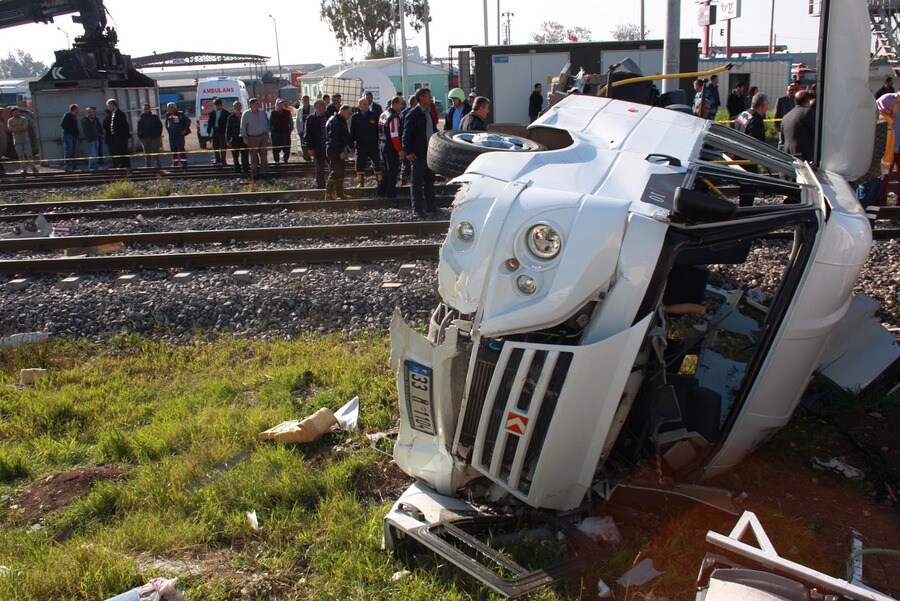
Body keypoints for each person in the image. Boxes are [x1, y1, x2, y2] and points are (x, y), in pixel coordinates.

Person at [402, 87, 440, 218]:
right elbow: (406, 134)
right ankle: (418, 208)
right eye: (428, 96)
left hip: (429, 152)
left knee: (429, 180)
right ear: (421, 97)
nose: (431, 98)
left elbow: (433, 129)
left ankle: (431, 206)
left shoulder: (428, 112)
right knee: (417, 181)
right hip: (418, 153)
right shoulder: (413, 114)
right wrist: (408, 151)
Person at [734, 93, 769, 207]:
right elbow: (756, 144)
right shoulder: (756, 120)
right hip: (748, 159)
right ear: (762, 105)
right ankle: (745, 211)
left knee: (743, 187)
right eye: (767, 104)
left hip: (738, 155)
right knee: (748, 189)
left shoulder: (743, 114)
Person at [350, 96, 381, 188]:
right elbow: (352, 132)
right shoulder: (355, 117)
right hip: (361, 145)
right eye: (364, 104)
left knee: (377, 163)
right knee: (359, 164)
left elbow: (378, 130)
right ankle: (360, 182)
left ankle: (379, 181)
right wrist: (351, 145)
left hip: (373, 144)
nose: (367, 106)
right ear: (359, 106)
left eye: (367, 104)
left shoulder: (374, 115)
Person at [377, 96, 404, 198]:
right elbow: (394, 135)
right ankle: (391, 193)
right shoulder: (393, 117)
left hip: (383, 144)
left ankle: (381, 190)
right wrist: (399, 150)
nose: (402, 106)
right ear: (395, 103)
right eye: (401, 103)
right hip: (390, 146)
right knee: (392, 170)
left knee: (387, 170)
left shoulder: (383, 114)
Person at [325, 104, 352, 200]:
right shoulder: (336, 122)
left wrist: (349, 146)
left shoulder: (339, 120)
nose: (349, 116)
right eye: (349, 113)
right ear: (343, 111)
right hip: (334, 149)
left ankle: (340, 193)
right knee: (336, 171)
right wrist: (340, 151)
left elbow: (344, 136)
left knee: (341, 171)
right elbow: (334, 139)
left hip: (337, 148)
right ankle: (329, 194)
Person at [781, 90, 816, 164]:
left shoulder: (786, 117)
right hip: (803, 158)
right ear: (807, 100)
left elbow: (783, 139)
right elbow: (816, 133)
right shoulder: (807, 112)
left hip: (788, 157)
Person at [241, 98, 272, 180]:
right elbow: (243, 126)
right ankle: (254, 174)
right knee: (253, 157)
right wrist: (245, 137)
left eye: (258, 103)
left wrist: (267, 134)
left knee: (264, 156)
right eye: (256, 103)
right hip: (252, 138)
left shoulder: (262, 113)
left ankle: (265, 173)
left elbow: (266, 123)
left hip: (263, 136)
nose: (258, 105)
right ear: (251, 105)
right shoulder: (246, 114)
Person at [304, 99, 329, 188]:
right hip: (318, 147)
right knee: (319, 168)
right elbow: (308, 135)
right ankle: (321, 185)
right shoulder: (311, 119)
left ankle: (332, 185)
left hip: (330, 147)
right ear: (315, 108)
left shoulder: (330, 116)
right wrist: (310, 148)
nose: (322, 107)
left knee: (332, 167)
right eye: (320, 105)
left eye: (323, 104)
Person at [7, 107, 37, 174]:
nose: (16, 113)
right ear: (12, 113)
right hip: (17, 141)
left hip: (25, 140)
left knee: (29, 154)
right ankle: (24, 169)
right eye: (15, 112)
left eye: (17, 112)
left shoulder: (23, 119)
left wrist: (16, 128)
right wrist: (19, 128)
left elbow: (25, 127)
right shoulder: (10, 120)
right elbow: (10, 128)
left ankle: (33, 168)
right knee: (20, 155)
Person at [104, 99, 131, 168]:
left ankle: (125, 167)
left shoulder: (119, 113)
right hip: (117, 138)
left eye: (109, 105)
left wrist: (121, 137)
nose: (109, 107)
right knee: (119, 153)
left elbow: (124, 126)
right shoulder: (114, 114)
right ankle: (121, 165)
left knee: (123, 152)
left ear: (114, 105)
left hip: (121, 138)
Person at [136, 103, 163, 168]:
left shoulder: (154, 117)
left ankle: (158, 165)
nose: (145, 110)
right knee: (147, 153)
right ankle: (148, 166)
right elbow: (139, 127)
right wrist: (139, 135)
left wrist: (158, 135)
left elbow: (160, 126)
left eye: (147, 109)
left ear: (149, 109)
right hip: (144, 138)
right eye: (144, 109)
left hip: (154, 138)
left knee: (155, 152)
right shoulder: (141, 117)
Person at [164, 102, 190, 168]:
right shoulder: (168, 115)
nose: (168, 109)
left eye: (169, 108)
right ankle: (175, 163)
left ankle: (184, 163)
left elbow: (188, 121)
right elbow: (166, 123)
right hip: (171, 135)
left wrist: (185, 129)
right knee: (173, 150)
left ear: (173, 108)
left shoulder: (180, 114)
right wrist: (168, 129)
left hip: (179, 135)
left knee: (181, 149)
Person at [399, 94, 417, 186]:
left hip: (406, 140)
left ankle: (404, 179)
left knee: (405, 162)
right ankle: (405, 179)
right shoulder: (411, 113)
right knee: (407, 161)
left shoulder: (403, 112)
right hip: (409, 140)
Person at [226, 100, 248, 174]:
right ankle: (237, 171)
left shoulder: (244, 116)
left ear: (241, 107)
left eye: (239, 106)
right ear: (234, 107)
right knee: (235, 156)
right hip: (234, 139)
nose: (238, 107)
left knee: (245, 156)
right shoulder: (230, 117)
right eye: (236, 106)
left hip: (243, 139)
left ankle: (245, 170)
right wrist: (228, 140)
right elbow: (228, 129)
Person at [206, 98, 229, 166]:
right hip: (215, 131)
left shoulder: (226, 113)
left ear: (221, 105)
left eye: (219, 105)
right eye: (216, 105)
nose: (218, 106)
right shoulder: (212, 113)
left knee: (223, 146)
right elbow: (210, 123)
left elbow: (227, 124)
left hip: (222, 131)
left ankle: (223, 160)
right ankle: (217, 159)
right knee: (215, 146)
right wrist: (209, 132)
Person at [269, 99, 293, 164]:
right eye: (279, 103)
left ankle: (285, 160)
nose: (280, 105)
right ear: (276, 104)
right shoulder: (272, 113)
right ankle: (276, 160)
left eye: (282, 103)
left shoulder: (287, 112)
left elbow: (291, 121)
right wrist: (271, 131)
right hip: (276, 133)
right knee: (275, 148)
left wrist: (290, 129)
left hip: (285, 132)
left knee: (286, 147)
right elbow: (270, 123)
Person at [80, 106, 103, 171]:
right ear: (86, 113)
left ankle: (94, 168)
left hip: (96, 139)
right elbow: (86, 132)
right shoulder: (84, 121)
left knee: (96, 155)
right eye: (89, 112)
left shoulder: (94, 119)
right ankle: (92, 168)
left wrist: (98, 135)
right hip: (90, 141)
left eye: (91, 112)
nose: (91, 113)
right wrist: (89, 141)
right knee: (92, 155)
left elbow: (96, 129)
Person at [61, 104, 80, 171]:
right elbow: (63, 125)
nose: (78, 110)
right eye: (77, 109)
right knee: (69, 149)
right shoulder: (67, 115)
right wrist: (69, 132)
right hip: (68, 135)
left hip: (74, 135)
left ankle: (74, 166)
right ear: (74, 109)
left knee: (74, 151)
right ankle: (67, 165)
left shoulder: (74, 116)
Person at [297, 95, 312, 161]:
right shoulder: (299, 110)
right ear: (302, 101)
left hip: (311, 130)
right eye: (304, 100)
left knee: (312, 144)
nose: (305, 102)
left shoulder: (313, 109)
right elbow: (298, 121)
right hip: (303, 130)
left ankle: (313, 157)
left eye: (307, 100)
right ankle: (307, 158)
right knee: (303, 145)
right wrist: (299, 131)